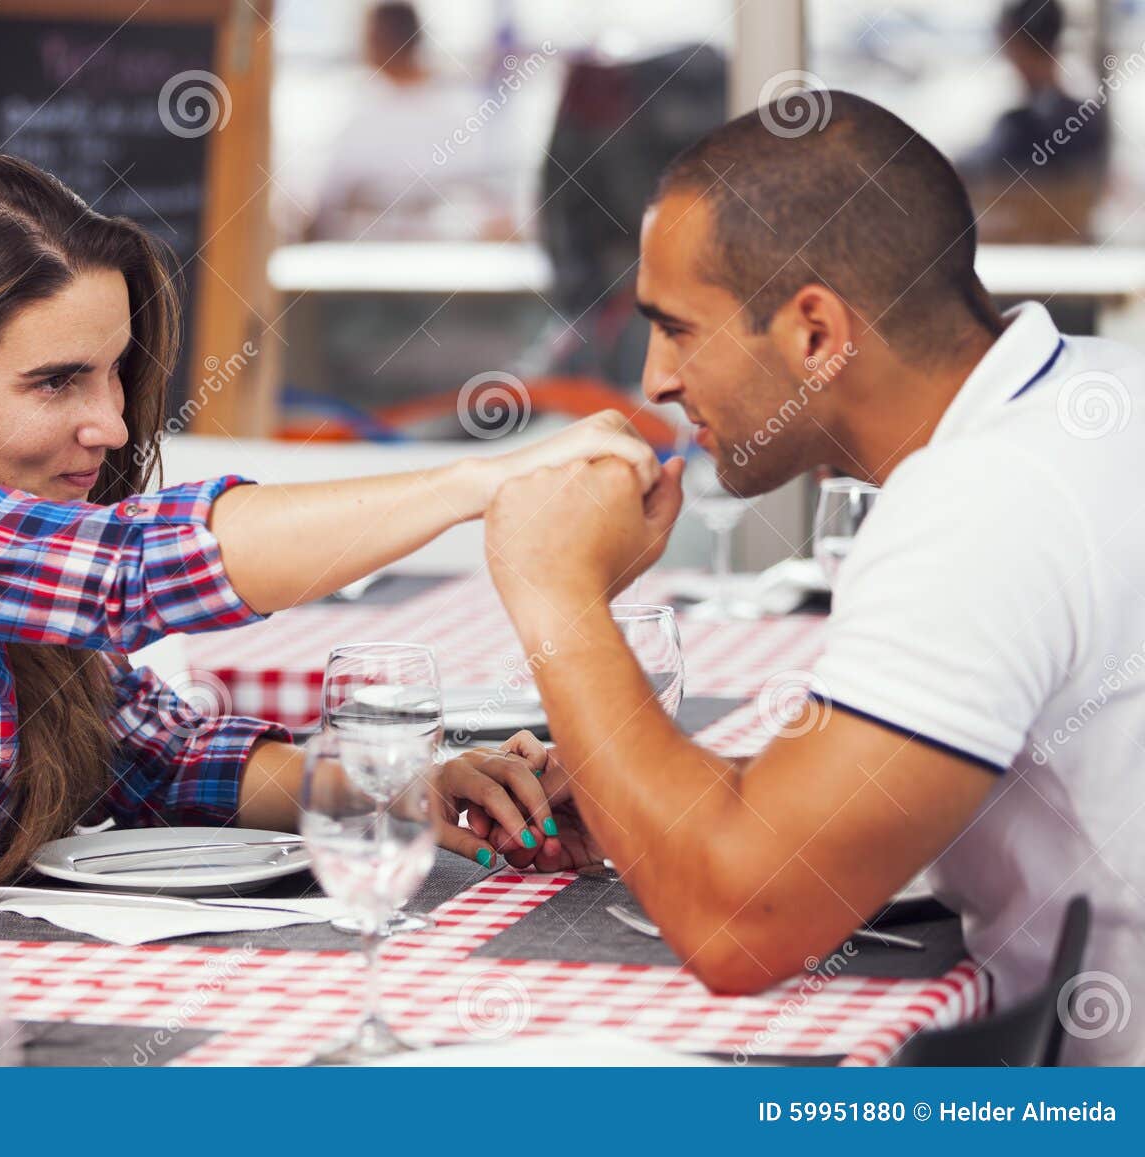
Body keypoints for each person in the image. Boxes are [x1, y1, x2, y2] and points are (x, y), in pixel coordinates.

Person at [0, 151, 639, 1027]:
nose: (108, 423)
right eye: (56, 381)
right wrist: (480, 480)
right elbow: (131, 566)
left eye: (115, 373)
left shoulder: (1, 556)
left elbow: (163, 754)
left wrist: (405, 787)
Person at [482, 93, 1145, 1064]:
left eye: (676, 327)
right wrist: (646, 793)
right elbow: (857, 798)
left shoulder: (982, 503)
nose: (654, 378)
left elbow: (741, 922)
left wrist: (553, 593)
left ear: (814, 334)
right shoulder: (1092, 390)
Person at [306, 2, 516, 242]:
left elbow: (326, 199)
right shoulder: (456, 110)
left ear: (377, 41)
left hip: (371, 251)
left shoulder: (360, 114)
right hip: (446, 249)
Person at [957, 0, 1106, 243]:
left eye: (1005, 45)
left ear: (1014, 44)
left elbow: (964, 174)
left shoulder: (1022, 126)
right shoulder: (1089, 120)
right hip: (1071, 254)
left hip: (1023, 253)